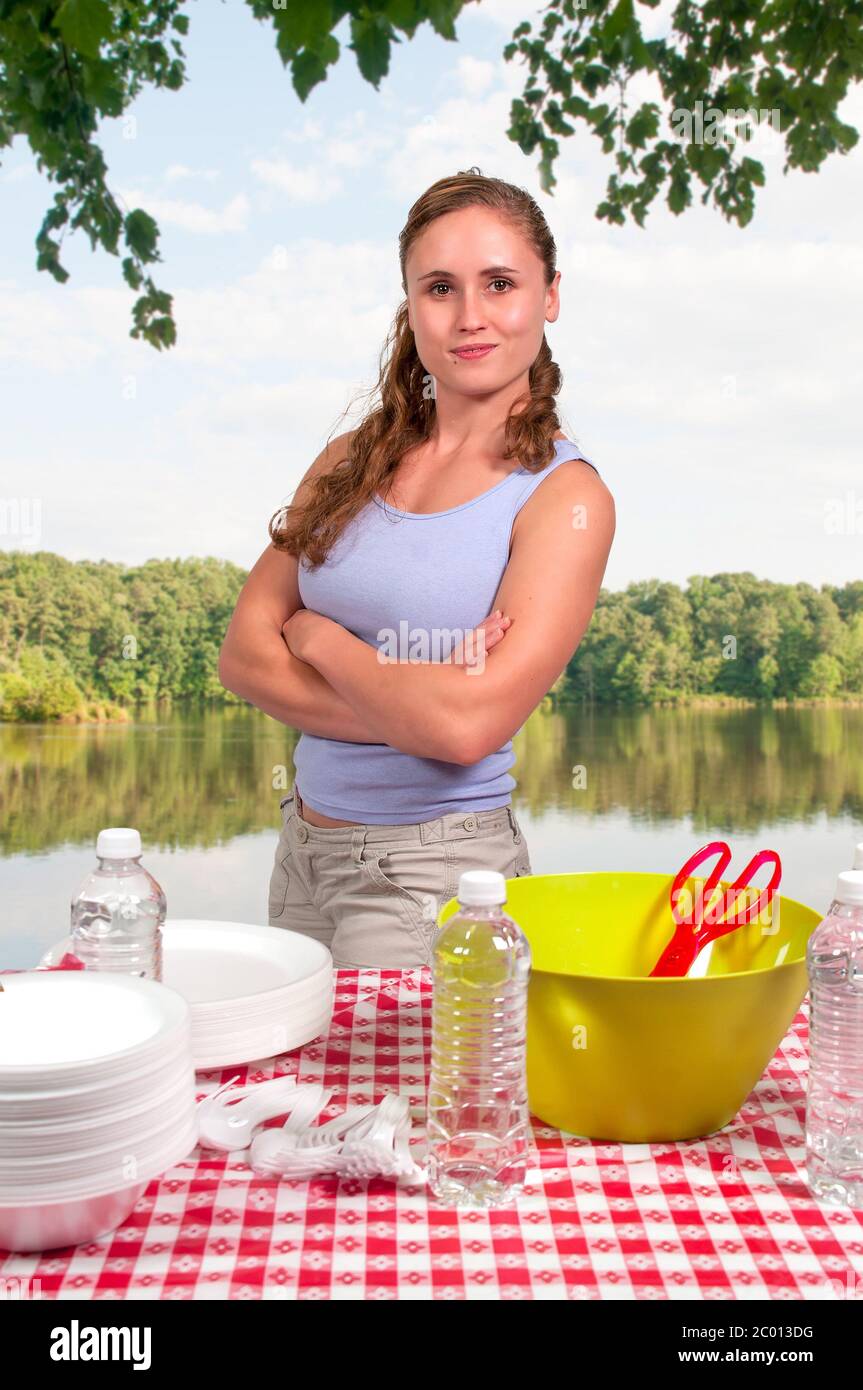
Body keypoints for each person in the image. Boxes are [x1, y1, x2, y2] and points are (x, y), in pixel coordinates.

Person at [218, 167, 616, 968]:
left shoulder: (564, 500)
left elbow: (468, 729)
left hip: (435, 870)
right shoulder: (347, 460)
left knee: (414, 1098)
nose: (470, 317)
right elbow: (241, 659)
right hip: (303, 848)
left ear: (549, 295)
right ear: (410, 303)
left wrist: (321, 640)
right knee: (295, 1086)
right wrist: (420, 700)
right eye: (439, 287)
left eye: (499, 283)